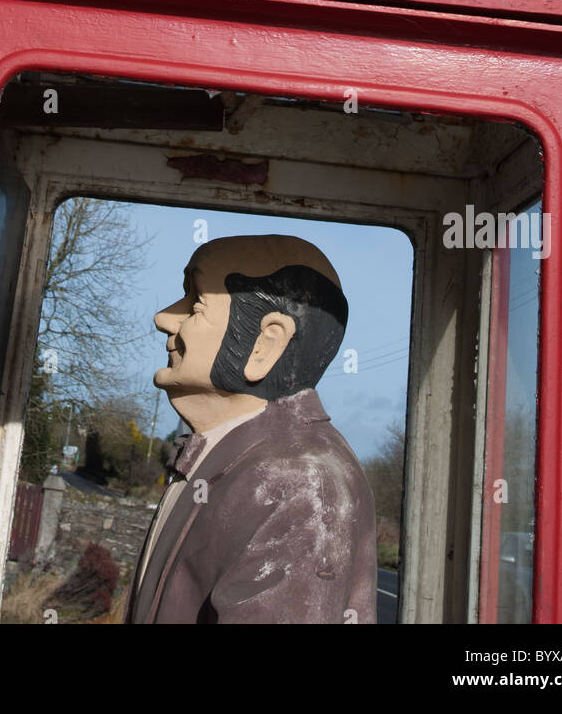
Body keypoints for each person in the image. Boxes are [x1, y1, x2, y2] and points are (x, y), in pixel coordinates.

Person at [124, 233, 377, 624]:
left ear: (265, 344)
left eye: (194, 304)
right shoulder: (241, 454)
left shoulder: (299, 481)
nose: (163, 318)